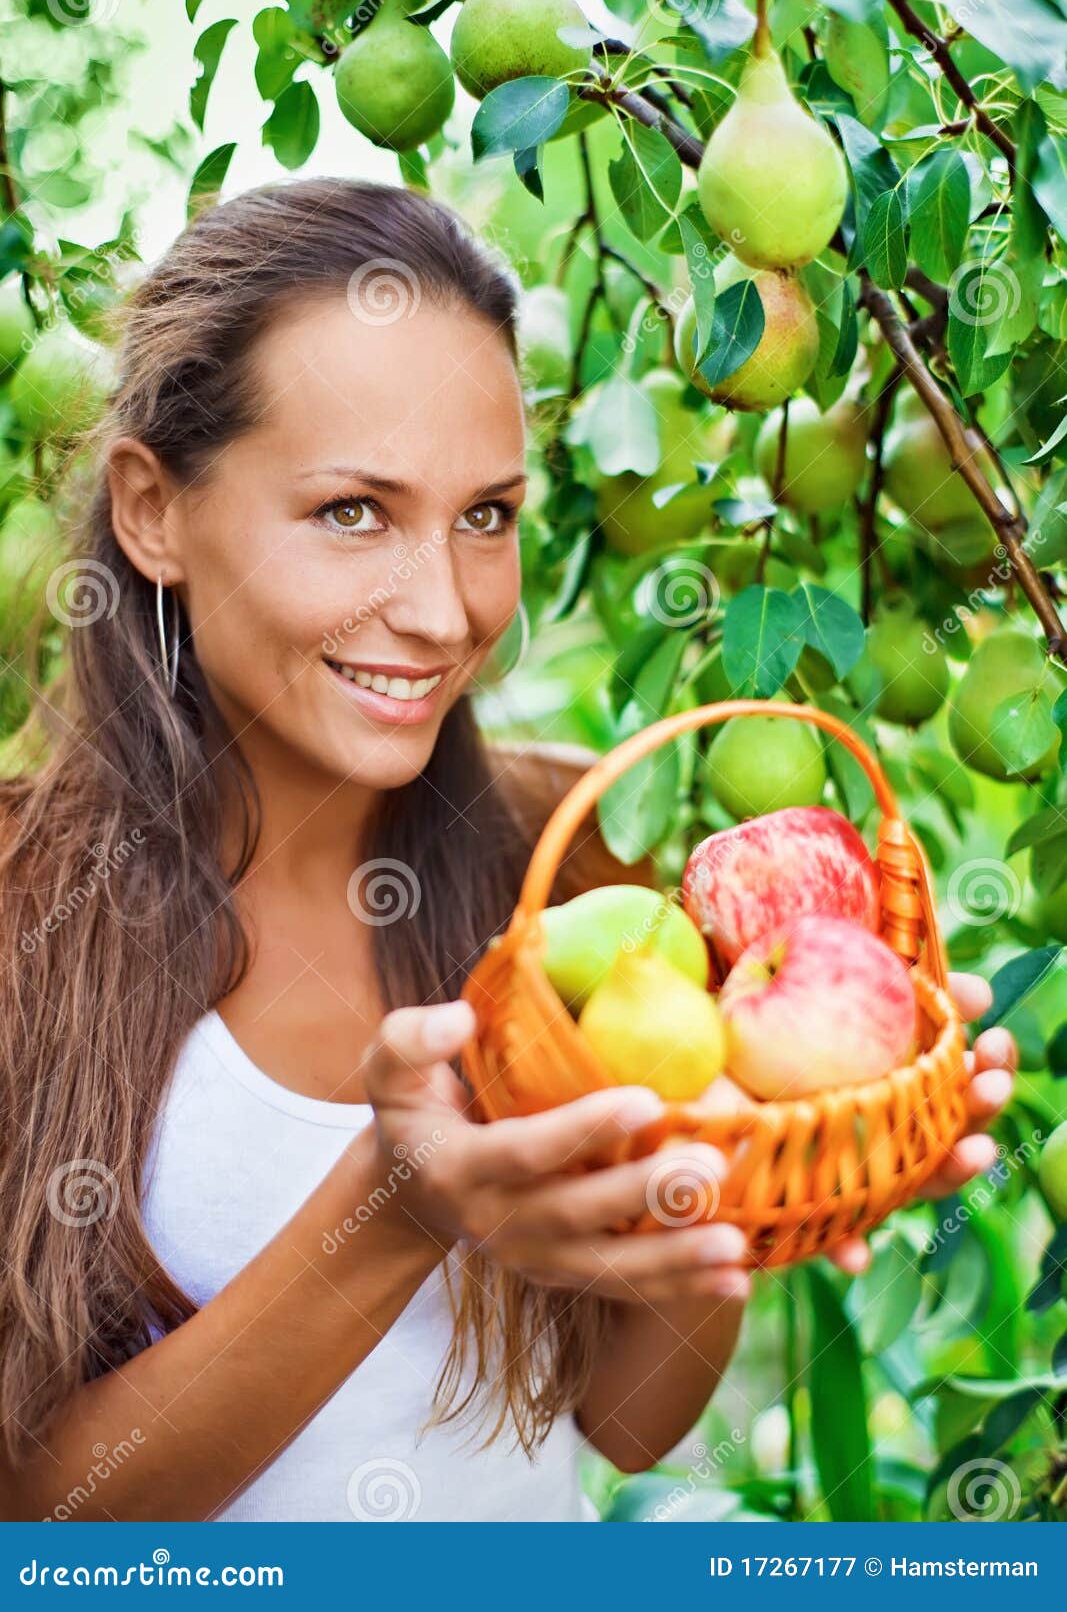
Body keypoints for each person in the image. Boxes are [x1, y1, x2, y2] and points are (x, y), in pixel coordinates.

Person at [0, 179, 1017, 1522]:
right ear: (152, 511)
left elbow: (627, 1422)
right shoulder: (27, 916)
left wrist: (742, 1176)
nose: (442, 610)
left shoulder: (566, 862)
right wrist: (398, 1215)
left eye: (485, 515)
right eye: (353, 511)